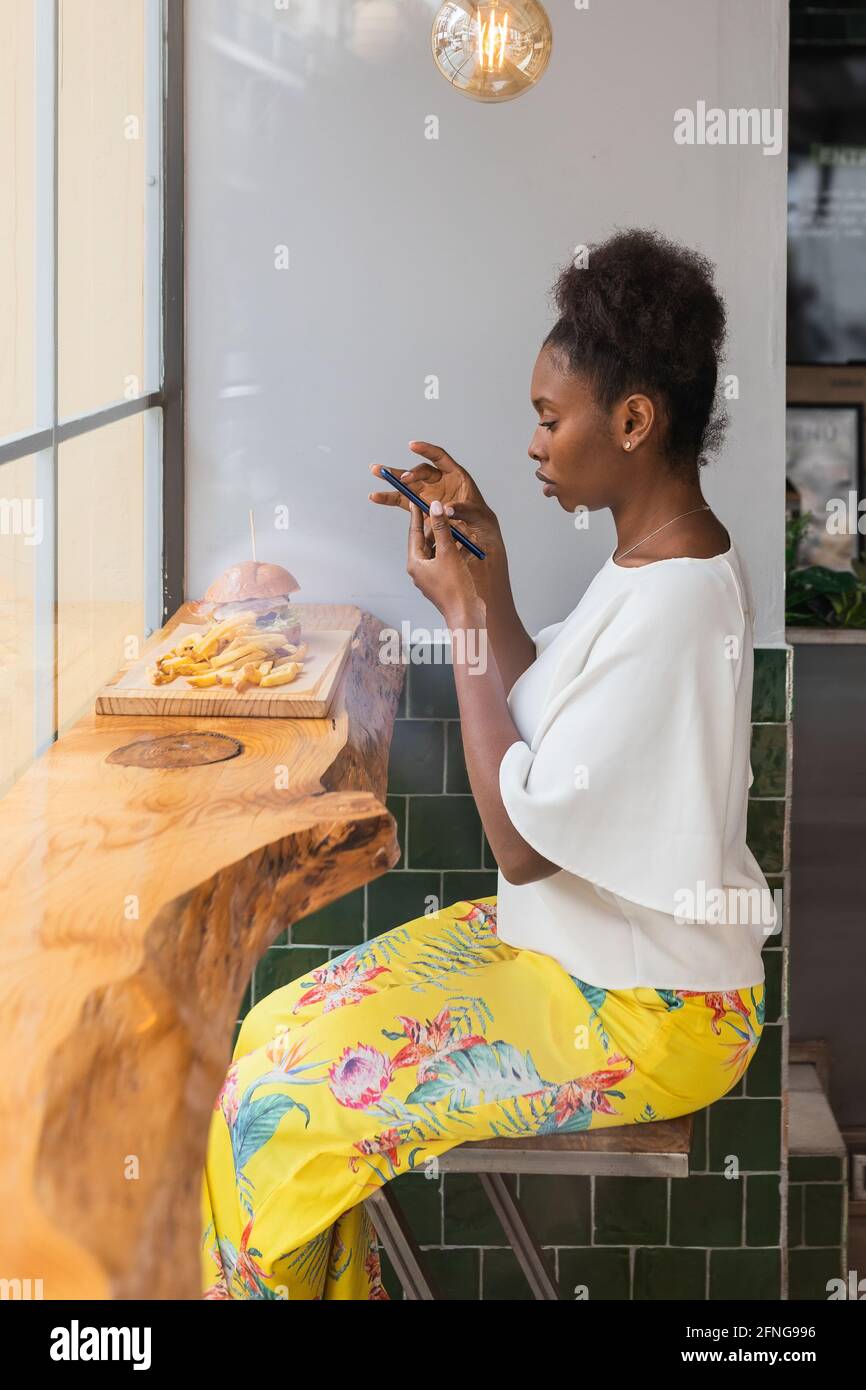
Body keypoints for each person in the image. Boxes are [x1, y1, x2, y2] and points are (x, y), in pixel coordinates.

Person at [200, 228, 772, 1300]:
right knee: (272, 1034)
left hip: (651, 1009)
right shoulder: (652, 565)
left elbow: (518, 844)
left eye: (548, 418)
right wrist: (487, 580)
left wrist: (463, 620)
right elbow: (536, 708)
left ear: (634, 421)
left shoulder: (680, 602)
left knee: (267, 1109)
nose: (532, 443)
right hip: (590, 959)